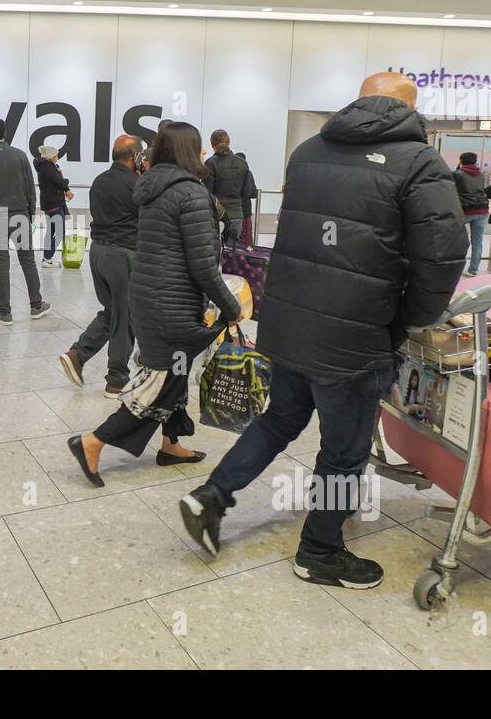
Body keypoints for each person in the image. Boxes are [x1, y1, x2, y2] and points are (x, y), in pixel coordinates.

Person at [180, 72, 465, 590]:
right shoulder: (420, 162)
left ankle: (210, 498)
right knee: (344, 451)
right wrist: (408, 319)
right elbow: (442, 257)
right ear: (410, 108)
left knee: (278, 420)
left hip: (290, 321)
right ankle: (319, 551)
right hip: (355, 336)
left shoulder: (310, 150)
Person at [65, 122, 239, 487]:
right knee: (163, 383)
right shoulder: (189, 194)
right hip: (172, 302)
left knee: (173, 373)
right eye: (199, 148)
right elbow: (203, 264)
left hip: (149, 295)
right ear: (189, 152)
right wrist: (231, 306)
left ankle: (170, 444)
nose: (204, 154)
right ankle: (93, 441)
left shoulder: (150, 187)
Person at [58, 135, 141, 398]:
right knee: (126, 315)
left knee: (113, 310)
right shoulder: (137, 184)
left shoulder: (100, 181)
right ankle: (116, 380)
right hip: (123, 255)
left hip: (98, 253)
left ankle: (78, 355)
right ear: (135, 156)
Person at [0, 118, 50, 325]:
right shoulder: (20, 156)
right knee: (28, 260)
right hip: (20, 213)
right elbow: (31, 189)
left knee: (1, 264)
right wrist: (30, 213)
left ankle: (5, 312)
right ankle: (36, 305)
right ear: (5, 133)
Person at [204, 130, 255, 241]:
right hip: (236, 214)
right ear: (229, 142)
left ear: (212, 144)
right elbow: (247, 192)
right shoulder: (242, 163)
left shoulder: (210, 163)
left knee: (216, 250)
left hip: (217, 215)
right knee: (232, 251)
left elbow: (207, 194)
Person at [33, 144, 72, 267]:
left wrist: (63, 183)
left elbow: (56, 181)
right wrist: (66, 186)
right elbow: (59, 181)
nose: (57, 157)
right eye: (56, 155)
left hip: (49, 203)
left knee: (51, 231)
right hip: (54, 203)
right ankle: (47, 258)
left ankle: (46, 258)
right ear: (50, 157)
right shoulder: (48, 168)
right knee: (59, 232)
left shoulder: (46, 167)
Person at [452, 152, 488, 277]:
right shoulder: (481, 174)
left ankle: (454, 264)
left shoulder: (457, 174)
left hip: (465, 209)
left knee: (456, 238)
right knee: (477, 240)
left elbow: (451, 188)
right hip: (482, 209)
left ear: (461, 161)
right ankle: (473, 269)